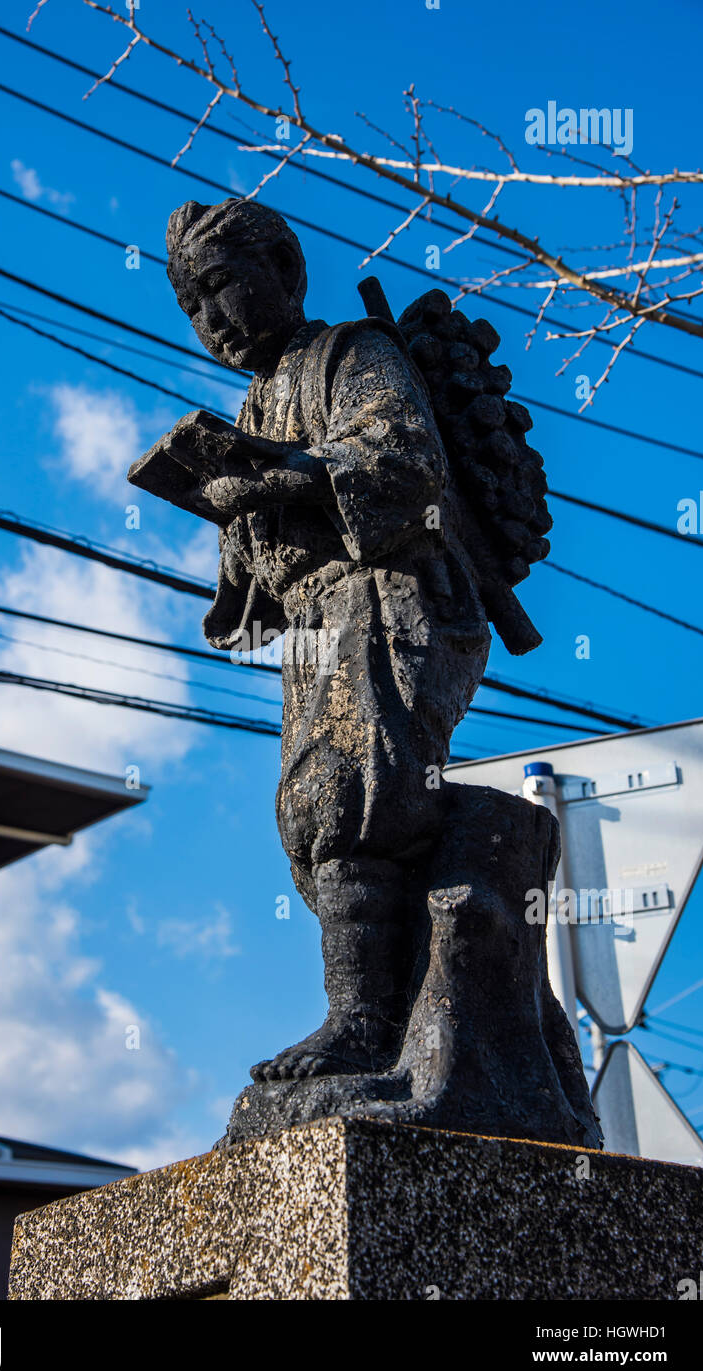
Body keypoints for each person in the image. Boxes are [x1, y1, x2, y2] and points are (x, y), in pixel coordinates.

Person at [160, 197, 492, 1082]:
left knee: (351, 790)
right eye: (189, 306)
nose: (209, 319)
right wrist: (231, 506)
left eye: (221, 288)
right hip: (315, 623)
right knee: (308, 817)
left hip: (391, 596)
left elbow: (399, 461)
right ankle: (376, 1011)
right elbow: (261, 567)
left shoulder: (351, 353)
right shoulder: (257, 398)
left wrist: (278, 480)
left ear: (285, 271)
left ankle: (363, 1022)